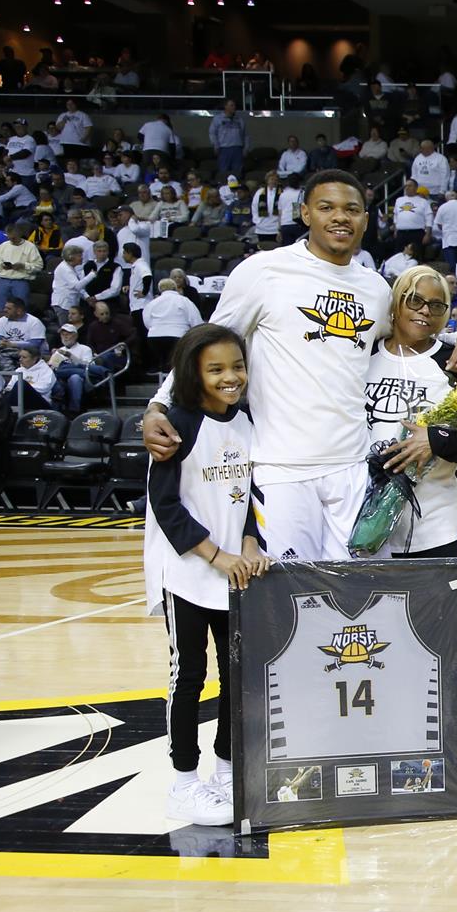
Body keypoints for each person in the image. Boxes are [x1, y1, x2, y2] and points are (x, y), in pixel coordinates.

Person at [141, 170, 457, 561]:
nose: (340, 217)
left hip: (352, 469)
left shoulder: (374, 287)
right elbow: (204, 348)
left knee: (358, 597)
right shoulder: (264, 271)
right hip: (282, 468)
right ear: (304, 213)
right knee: (288, 596)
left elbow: (411, 333)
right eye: (326, 207)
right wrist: (157, 406)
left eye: (352, 209)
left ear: (365, 220)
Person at [143, 322, 268, 828]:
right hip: (188, 571)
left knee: (238, 676)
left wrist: (249, 542)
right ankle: (184, 783)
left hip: (233, 569)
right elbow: (165, 504)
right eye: (215, 369)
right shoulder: (176, 423)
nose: (230, 377)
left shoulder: (246, 421)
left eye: (236, 366)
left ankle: (225, 770)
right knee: (189, 675)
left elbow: (248, 494)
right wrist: (217, 555)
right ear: (192, 373)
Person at [365, 266, 457, 559]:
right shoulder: (362, 354)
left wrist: (435, 439)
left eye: (436, 305)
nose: (425, 311)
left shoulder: (456, 362)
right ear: (396, 301)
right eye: (415, 300)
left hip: (433, 527)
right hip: (361, 524)